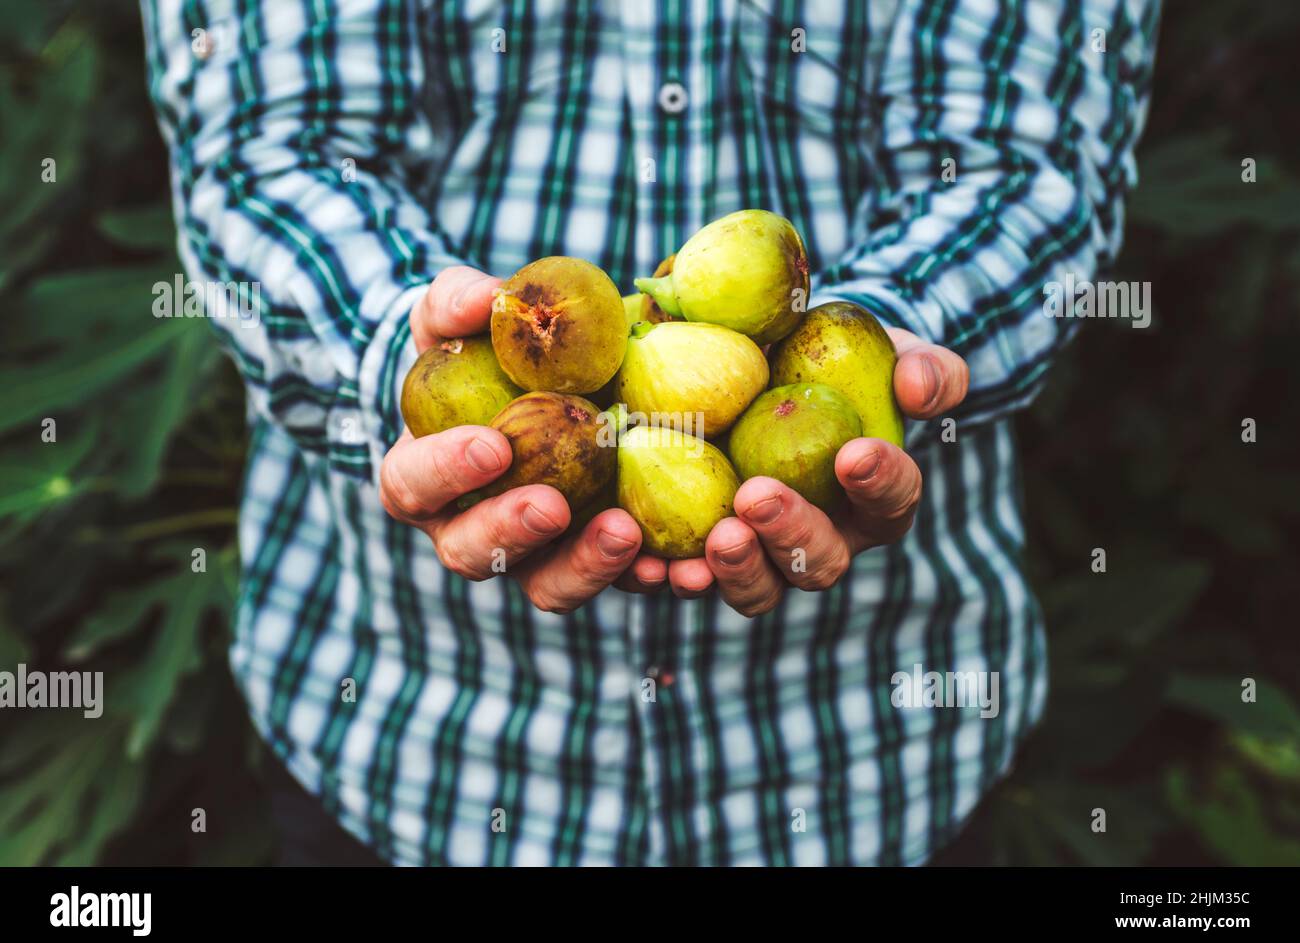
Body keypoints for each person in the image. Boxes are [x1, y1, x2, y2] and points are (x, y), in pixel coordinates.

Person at [142, 0, 1157, 865]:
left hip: (871, 753)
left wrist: (883, 344)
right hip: (411, 739)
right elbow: (270, 148)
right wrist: (405, 361)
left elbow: (1024, 162)